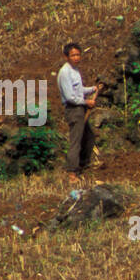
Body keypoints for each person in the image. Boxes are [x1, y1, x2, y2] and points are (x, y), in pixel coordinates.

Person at [57, 42, 103, 184]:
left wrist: (93, 89)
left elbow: (79, 90)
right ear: (66, 57)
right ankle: (72, 173)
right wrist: (86, 102)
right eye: (73, 55)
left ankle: (83, 164)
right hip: (73, 110)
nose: (76, 57)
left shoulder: (75, 71)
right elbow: (71, 97)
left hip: (79, 108)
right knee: (76, 141)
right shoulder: (65, 73)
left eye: (78, 54)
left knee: (88, 136)